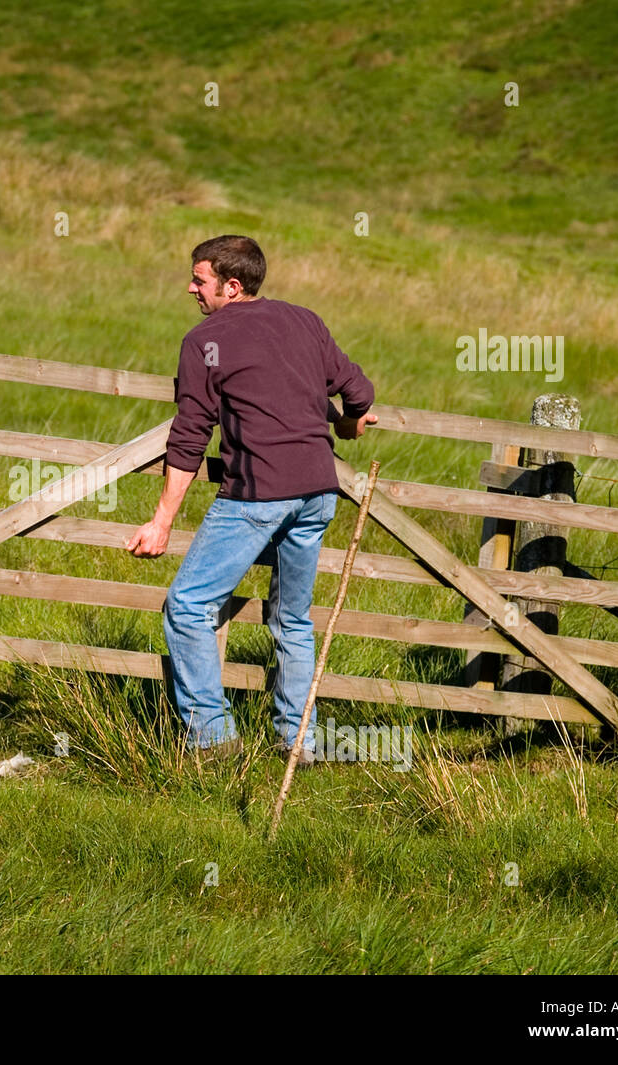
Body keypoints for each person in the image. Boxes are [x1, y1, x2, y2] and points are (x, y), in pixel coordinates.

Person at [125, 235, 376, 761]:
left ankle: (212, 739)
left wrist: (162, 522)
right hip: (317, 493)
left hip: (259, 494)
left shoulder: (204, 342)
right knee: (292, 620)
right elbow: (358, 391)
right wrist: (349, 424)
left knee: (188, 607)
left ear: (231, 286)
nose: (190, 288)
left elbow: (190, 434)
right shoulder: (304, 320)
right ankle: (298, 741)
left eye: (199, 280)